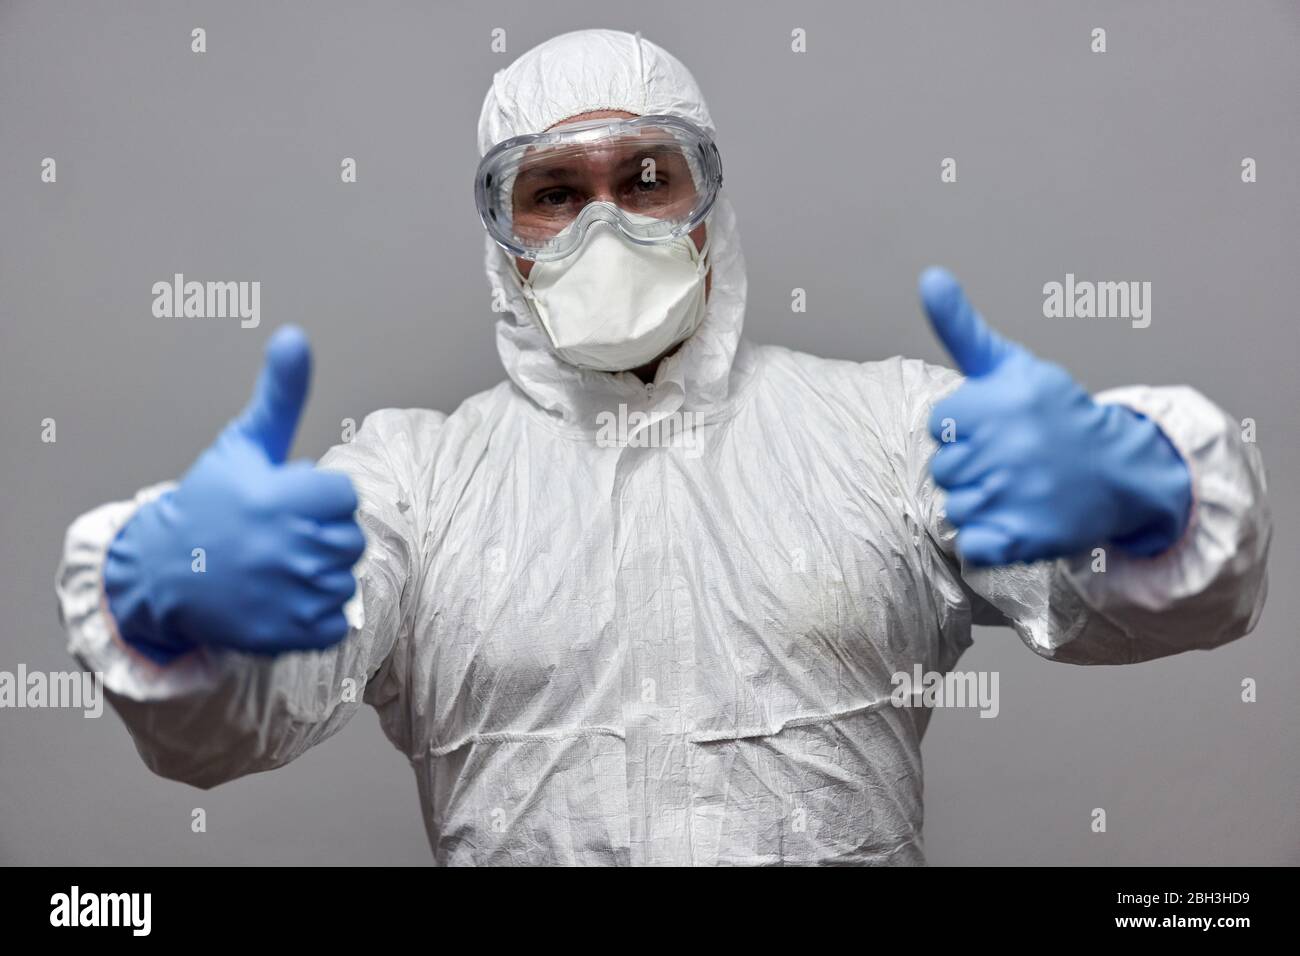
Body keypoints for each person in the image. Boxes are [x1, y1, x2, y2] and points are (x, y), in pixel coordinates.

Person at [55, 29, 1270, 865]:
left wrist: (1154, 497)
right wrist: (172, 608)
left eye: (645, 178)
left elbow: (1141, 601)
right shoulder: (414, 484)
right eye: (551, 192)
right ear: (504, 236)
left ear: (706, 207)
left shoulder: (882, 430)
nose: (603, 224)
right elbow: (246, 719)